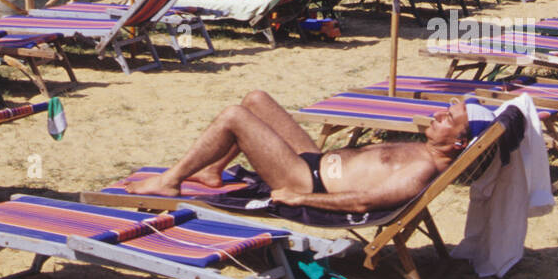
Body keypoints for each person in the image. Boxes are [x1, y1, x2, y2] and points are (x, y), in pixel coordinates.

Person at [133, 90, 473, 213]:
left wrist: (302, 199)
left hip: (306, 182)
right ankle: (211, 170)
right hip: (313, 160)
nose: (439, 114)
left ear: (458, 142)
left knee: (234, 117)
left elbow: (363, 202)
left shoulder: (422, 169)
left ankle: (170, 181)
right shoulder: (422, 148)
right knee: (255, 100)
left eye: (449, 118)